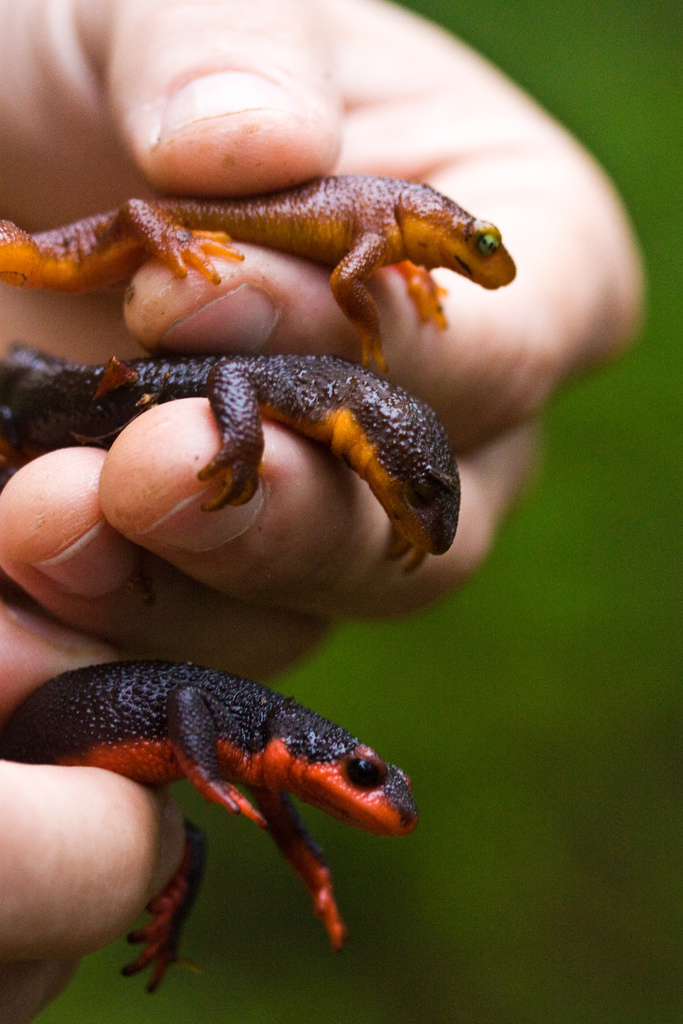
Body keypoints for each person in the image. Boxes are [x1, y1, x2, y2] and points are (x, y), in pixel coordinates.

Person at [0, 0, 642, 1017]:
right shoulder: (319, 378)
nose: (416, 520)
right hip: (82, 380)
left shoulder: (351, 376)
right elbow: (238, 388)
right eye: (416, 495)